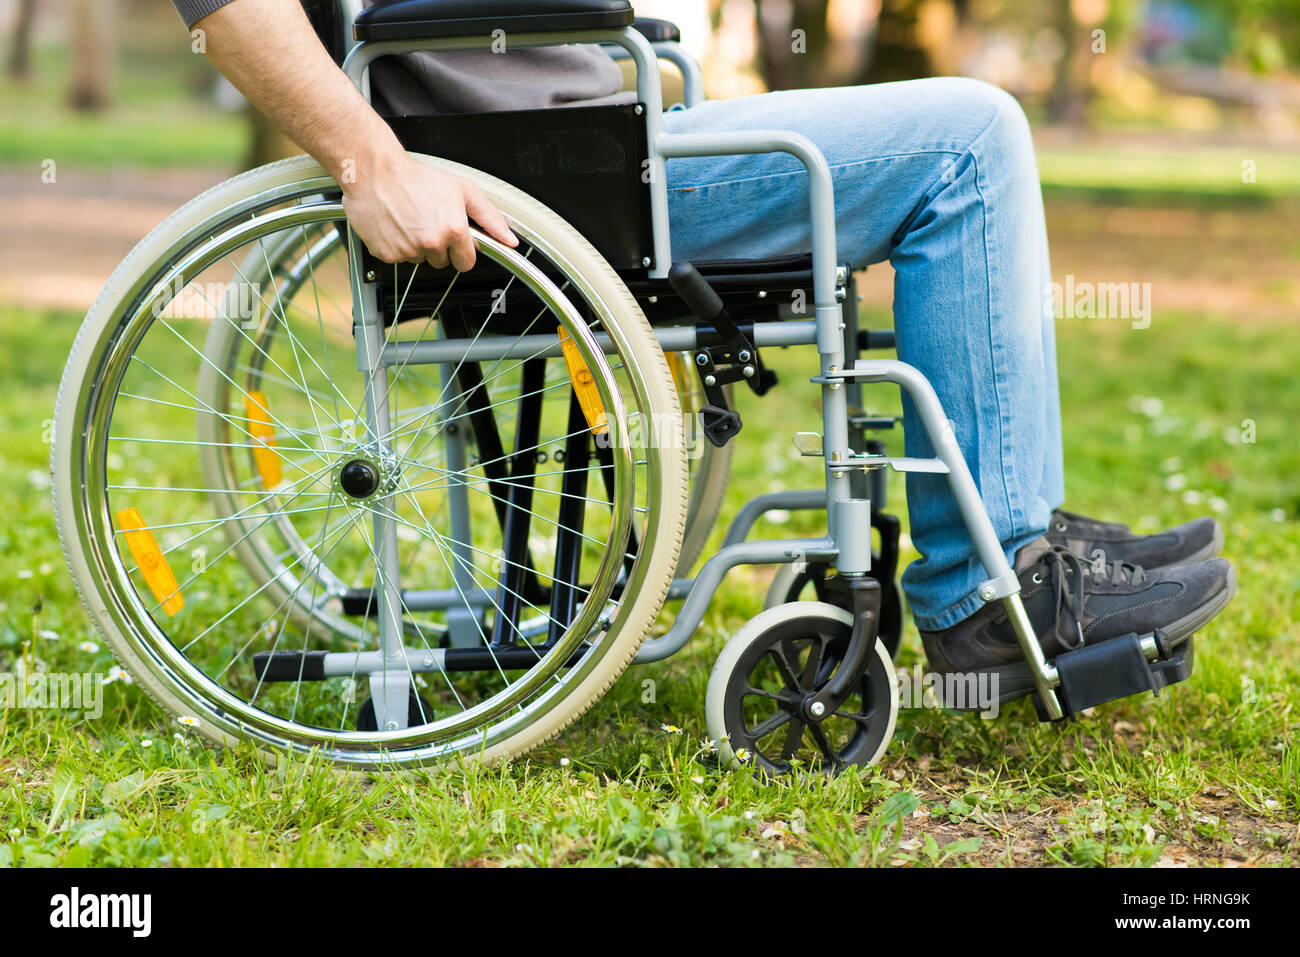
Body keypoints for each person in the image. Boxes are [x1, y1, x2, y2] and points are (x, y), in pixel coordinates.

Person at [169, 0, 1235, 701]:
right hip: (557, 172)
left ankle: (1017, 548)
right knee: (970, 139)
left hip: (593, 137)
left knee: (958, 134)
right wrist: (369, 161)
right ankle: (994, 582)